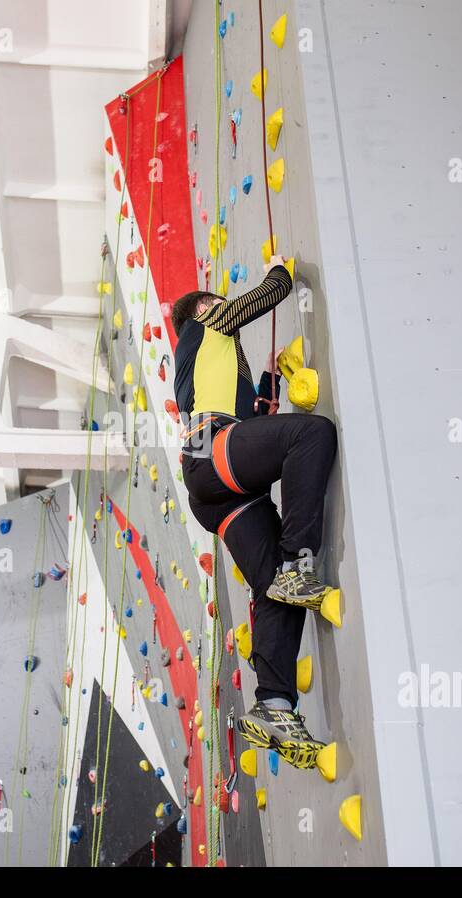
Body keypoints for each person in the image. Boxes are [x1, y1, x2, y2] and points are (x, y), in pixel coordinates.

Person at [171, 257, 337, 770]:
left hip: (214, 488)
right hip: (214, 451)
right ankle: (298, 563)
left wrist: (267, 389)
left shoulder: (212, 366)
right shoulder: (205, 324)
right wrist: (280, 273)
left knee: (273, 593)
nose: (222, 304)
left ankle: (274, 706)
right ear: (204, 308)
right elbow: (263, 299)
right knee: (312, 434)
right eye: (214, 299)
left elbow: (252, 419)